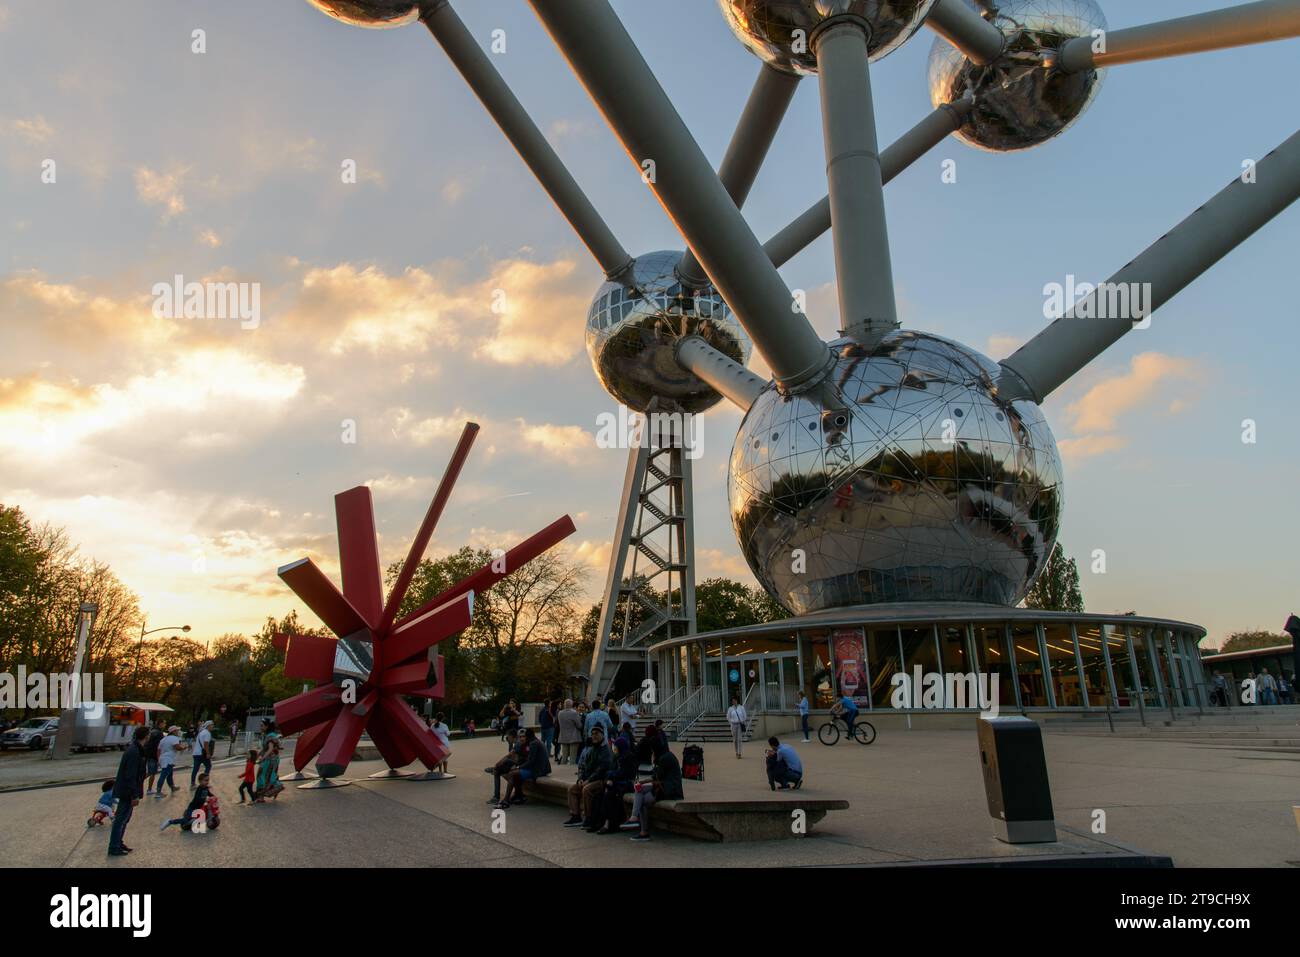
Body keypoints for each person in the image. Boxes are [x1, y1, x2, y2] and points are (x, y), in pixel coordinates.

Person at [623, 746, 682, 842]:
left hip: (668, 791)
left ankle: (640, 826)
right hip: (664, 788)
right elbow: (656, 777)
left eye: (653, 752)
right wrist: (641, 783)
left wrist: (641, 783)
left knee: (640, 797)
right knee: (640, 792)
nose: (652, 755)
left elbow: (657, 777)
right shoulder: (667, 756)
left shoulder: (664, 759)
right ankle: (637, 822)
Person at [108, 725, 150, 856]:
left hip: (128, 790)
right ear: (146, 736)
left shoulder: (136, 749)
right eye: (148, 734)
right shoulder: (134, 751)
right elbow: (130, 775)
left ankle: (118, 842)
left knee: (125, 819)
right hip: (127, 791)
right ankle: (114, 846)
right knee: (121, 819)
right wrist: (134, 795)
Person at [563, 725, 612, 827]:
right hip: (588, 779)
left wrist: (588, 780)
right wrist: (580, 778)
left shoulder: (605, 750)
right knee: (572, 789)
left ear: (602, 735)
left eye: (597, 734)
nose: (594, 736)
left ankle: (589, 817)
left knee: (587, 789)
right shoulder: (591, 750)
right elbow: (582, 766)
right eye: (593, 734)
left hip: (601, 780)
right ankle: (576, 816)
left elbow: (601, 769)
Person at [593, 735, 638, 834]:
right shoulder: (617, 757)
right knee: (599, 794)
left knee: (609, 796)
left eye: (615, 746)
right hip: (617, 782)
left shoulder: (628, 757)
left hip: (625, 784)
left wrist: (612, 777)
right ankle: (600, 822)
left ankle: (608, 824)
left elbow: (625, 773)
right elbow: (612, 771)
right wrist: (611, 777)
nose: (614, 748)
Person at [499, 728, 550, 808]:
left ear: (528, 737)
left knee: (512, 774)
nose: (523, 738)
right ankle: (518, 795)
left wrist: (519, 767)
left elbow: (530, 761)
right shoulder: (536, 741)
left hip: (538, 770)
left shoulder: (533, 744)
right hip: (538, 768)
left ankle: (506, 800)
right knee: (514, 774)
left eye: (524, 736)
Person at [485, 729, 525, 805]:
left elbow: (509, 756)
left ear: (512, 737)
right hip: (518, 764)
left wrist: (498, 764)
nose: (507, 738)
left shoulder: (518, 744)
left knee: (497, 771)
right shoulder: (517, 743)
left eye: (508, 737)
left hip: (519, 765)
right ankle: (495, 769)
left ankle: (496, 797)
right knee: (501, 767)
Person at [153, 725, 186, 797]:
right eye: (177, 730)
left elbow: (158, 750)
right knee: (164, 775)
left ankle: (172, 786)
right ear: (173, 732)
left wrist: (159, 759)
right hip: (169, 759)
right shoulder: (174, 738)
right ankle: (158, 791)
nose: (178, 732)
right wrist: (183, 747)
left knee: (169, 774)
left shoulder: (163, 739)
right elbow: (177, 747)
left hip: (163, 758)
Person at [254, 722, 283, 801]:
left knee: (262, 776)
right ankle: (263, 795)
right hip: (268, 759)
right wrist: (257, 756)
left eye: (262, 726)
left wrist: (262, 758)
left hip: (271, 760)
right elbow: (264, 749)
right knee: (265, 776)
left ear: (267, 726)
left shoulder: (271, 736)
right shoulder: (266, 735)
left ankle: (262, 796)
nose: (260, 727)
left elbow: (270, 749)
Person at [557, 698, 583, 765]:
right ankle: (570, 771)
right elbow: (579, 725)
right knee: (572, 757)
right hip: (573, 737)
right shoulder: (574, 713)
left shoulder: (560, 713)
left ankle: (563, 769)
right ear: (571, 704)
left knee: (564, 756)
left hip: (563, 736)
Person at [190, 720, 214, 788]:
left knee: (195, 769)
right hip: (202, 754)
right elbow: (206, 744)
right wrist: (208, 753)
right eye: (212, 725)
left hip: (196, 753)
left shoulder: (201, 732)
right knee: (208, 766)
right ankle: (204, 782)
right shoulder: (207, 733)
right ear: (208, 726)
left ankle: (192, 783)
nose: (213, 726)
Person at [143, 720, 164, 793]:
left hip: (148, 754)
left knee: (150, 772)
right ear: (160, 724)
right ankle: (149, 789)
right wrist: (159, 756)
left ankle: (139, 783)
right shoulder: (159, 733)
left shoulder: (152, 731)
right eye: (164, 723)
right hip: (154, 755)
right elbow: (159, 746)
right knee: (152, 773)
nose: (164, 725)